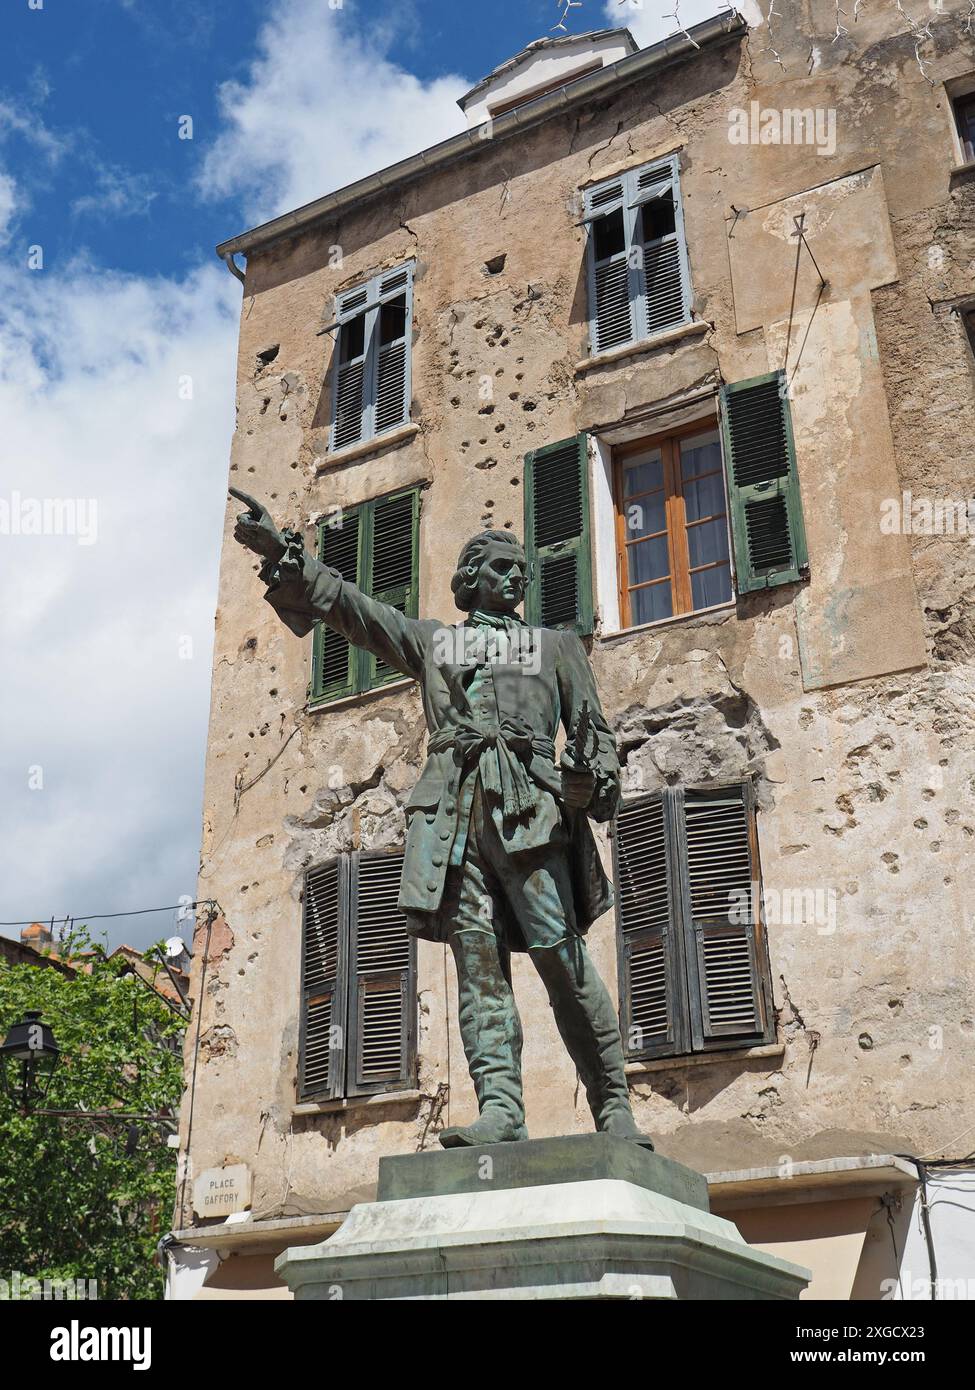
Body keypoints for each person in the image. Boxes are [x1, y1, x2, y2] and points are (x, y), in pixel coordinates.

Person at [230, 487, 653, 1149]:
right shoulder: (436, 645)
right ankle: (501, 1111)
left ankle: (614, 1110)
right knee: (479, 971)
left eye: (520, 569)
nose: (514, 576)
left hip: (529, 811)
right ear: (467, 581)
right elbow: (352, 609)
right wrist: (282, 549)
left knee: (564, 963)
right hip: (452, 817)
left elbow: (594, 738)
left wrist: (586, 781)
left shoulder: (555, 647)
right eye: (499, 567)